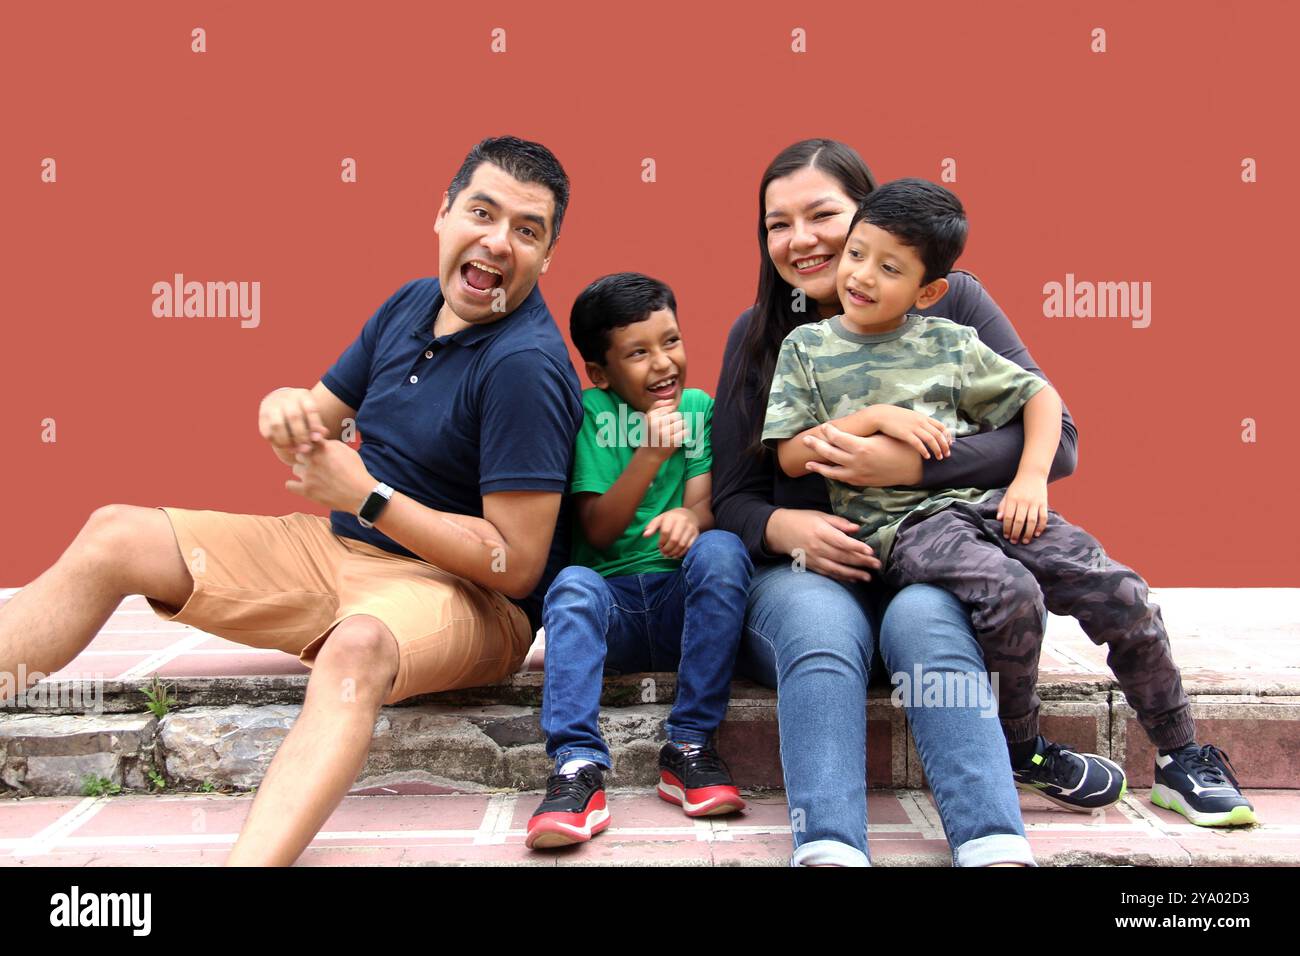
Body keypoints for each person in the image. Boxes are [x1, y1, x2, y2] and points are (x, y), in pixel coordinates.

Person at [0, 136, 585, 865]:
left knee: (357, 648)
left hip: (467, 599)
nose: (498, 242)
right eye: (483, 212)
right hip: (339, 552)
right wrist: (284, 408)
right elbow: (321, 420)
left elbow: (517, 565)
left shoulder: (525, 366)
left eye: (527, 231)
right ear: (443, 214)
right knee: (115, 533)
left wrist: (370, 498)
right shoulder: (411, 304)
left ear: (548, 256)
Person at [765, 178, 1255, 827]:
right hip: (905, 528)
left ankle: (1181, 755)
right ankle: (1021, 744)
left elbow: (1041, 400)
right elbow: (790, 455)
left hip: (995, 505)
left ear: (929, 290)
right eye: (857, 254)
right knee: (1010, 592)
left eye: (889, 267)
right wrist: (874, 416)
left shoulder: (949, 341)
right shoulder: (809, 348)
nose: (860, 275)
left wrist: (1029, 479)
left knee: (1122, 590)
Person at [713, 139, 1062, 867]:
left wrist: (907, 465)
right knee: (820, 631)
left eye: (822, 215)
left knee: (931, 623)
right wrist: (786, 524)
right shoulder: (758, 339)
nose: (800, 239)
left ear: (867, 216)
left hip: (924, 562)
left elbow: (1056, 440)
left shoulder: (952, 302)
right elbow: (734, 498)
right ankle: (830, 845)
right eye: (777, 223)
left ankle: (995, 840)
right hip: (807, 575)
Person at [527, 273, 753, 850]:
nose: (663, 363)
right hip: (616, 611)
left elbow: (703, 503)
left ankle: (690, 745)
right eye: (638, 352)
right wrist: (651, 452)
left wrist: (692, 520)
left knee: (723, 548)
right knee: (572, 582)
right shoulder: (592, 415)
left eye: (671, 341)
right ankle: (576, 767)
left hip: (683, 609)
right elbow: (599, 531)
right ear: (601, 373)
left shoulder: (699, 408)